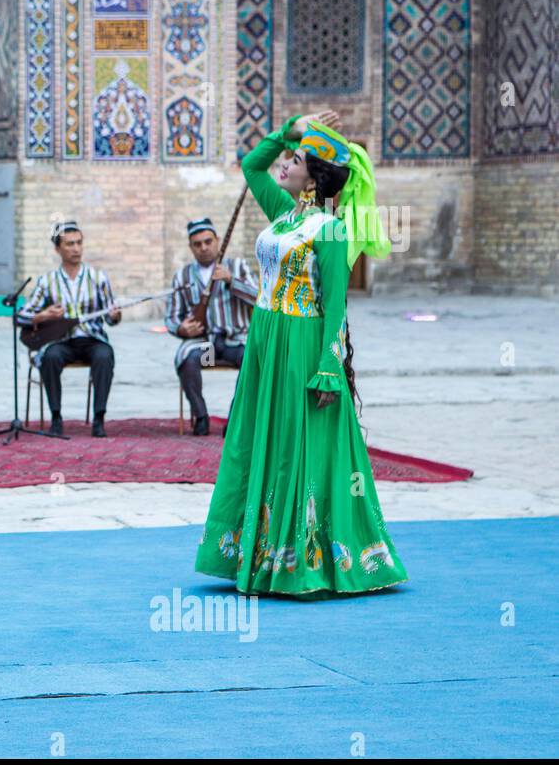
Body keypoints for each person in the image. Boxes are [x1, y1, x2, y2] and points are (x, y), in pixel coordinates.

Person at [194, 110, 407, 596]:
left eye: (294, 158)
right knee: (260, 439)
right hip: (265, 342)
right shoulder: (282, 217)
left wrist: (329, 366)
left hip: (302, 344)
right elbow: (251, 167)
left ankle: (303, 559)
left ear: (315, 174)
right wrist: (288, 130)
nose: (283, 164)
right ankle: (261, 550)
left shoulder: (328, 230)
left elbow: (336, 306)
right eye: (287, 157)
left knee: (298, 446)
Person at [16, 220, 120, 437]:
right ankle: (56, 416)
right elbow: (21, 316)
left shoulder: (98, 278)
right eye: (70, 244)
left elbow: (112, 319)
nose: (76, 249)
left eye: (79, 243)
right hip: (60, 341)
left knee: (105, 355)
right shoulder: (47, 282)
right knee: (50, 357)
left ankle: (99, 418)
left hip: (92, 338)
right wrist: (43, 315)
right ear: (57, 249)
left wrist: (114, 315)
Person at [164, 217, 257, 436]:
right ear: (191, 247)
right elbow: (171, 317)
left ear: (217, 240)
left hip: (237, 341)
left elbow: (260, 298)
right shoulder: (183, 276)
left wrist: (231, 280)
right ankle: (201, 416)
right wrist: (181, 329)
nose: (204, 248)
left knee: (252, 360)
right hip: (207, 346)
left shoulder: (238, 266)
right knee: (187, 359)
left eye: (208, 241)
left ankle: (235, 419)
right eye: (197, 244)